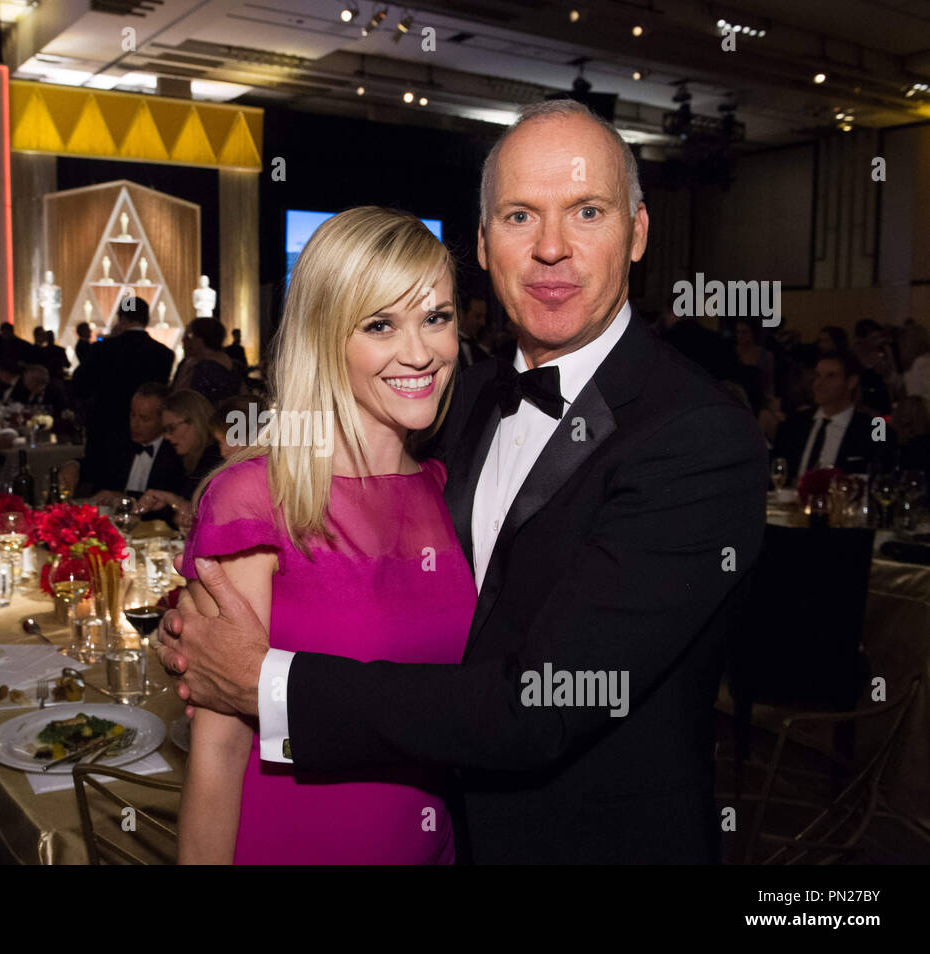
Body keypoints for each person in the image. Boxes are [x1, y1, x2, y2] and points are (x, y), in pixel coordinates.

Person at [158, 99, 766, 864]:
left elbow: (537, 707)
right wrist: (192, 632)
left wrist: (265, 682)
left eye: (586, 210)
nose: (551, 248)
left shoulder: (698, 437)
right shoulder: (462, 404)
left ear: (638, 232)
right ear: (482, 243)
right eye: (519, 215)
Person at [166, 207, 467, 863]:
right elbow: (215, 757)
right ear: (324, 336)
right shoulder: (255, 499)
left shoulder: (445, 491)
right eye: (381, 324)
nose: (419, 352)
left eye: (436, 317)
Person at [71, 296, 174, 479]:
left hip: (106, 431)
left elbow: (79, 384)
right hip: (149, 433)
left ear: (122, 319)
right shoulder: (164, 353)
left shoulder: (103, 349)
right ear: (146, 318)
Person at [773, 350, 884, 482]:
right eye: (818, 376)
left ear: (851, 382)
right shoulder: (793, 425)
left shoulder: (873, 429)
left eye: (830, 376)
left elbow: (879, 476)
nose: (819, 384)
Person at [68, 382, 184, 507]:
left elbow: (167, 502)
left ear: (163, 420)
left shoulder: (175, 451)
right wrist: (74, 465)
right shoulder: (119, 442)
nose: (135, 424)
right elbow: (94, 466)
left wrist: (124, 498)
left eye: (144, 418)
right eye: (132, 415)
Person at [135, 389, 224, 530]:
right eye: (164, 429)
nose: (166, 436)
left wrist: (173, 500)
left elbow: (207, 517)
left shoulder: (215, 457)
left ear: (195, 422)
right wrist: (169, 502)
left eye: (171, 428)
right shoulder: (187, 458)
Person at [172, 317, 242, 406]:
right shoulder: (232, 365)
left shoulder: (203, 368)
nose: (183, 340)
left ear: (200, 340)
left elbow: (180, 402)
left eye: (188, 336)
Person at [457, 293, 491, 368]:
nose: (483, 322)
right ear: (461, 315)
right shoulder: (448, 345)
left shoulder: (481, 352)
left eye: (484, 317)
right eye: (477, 316)